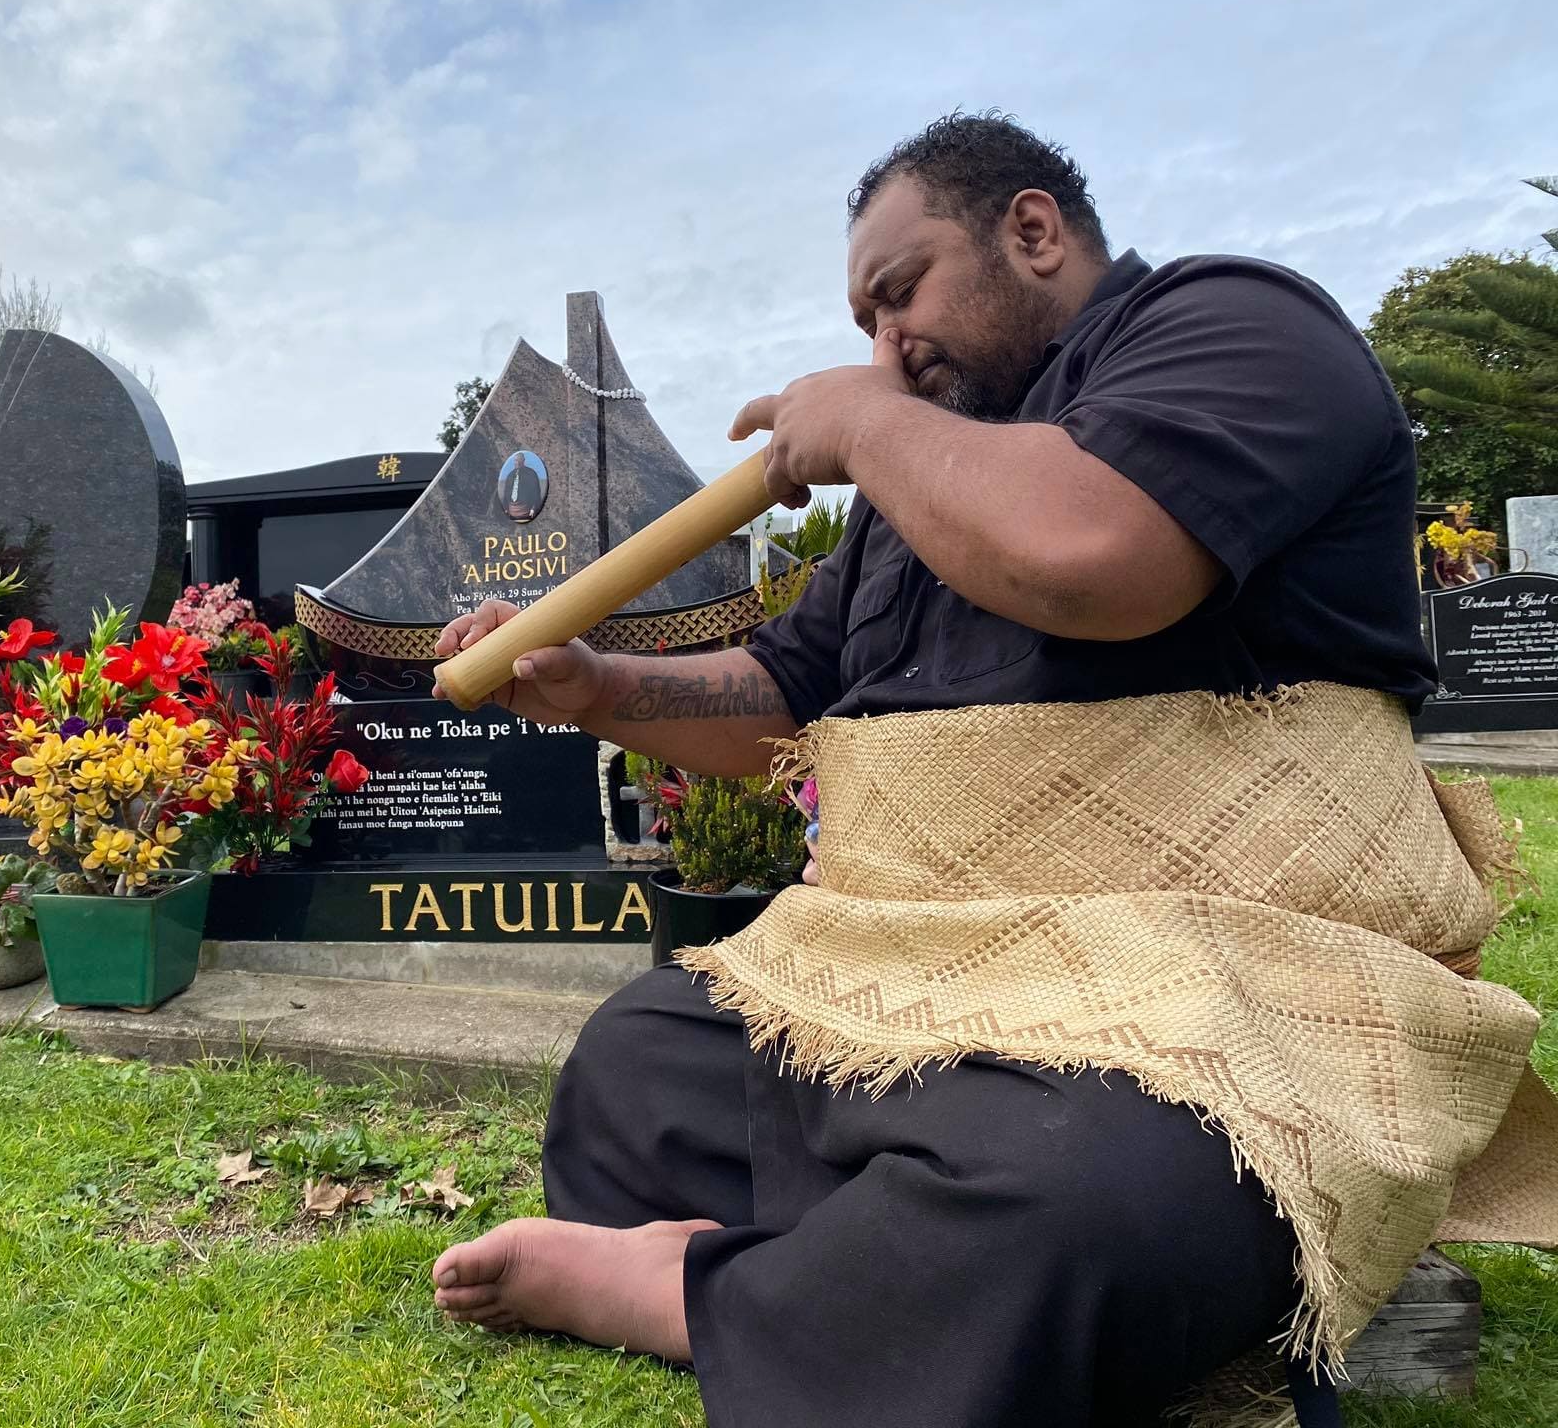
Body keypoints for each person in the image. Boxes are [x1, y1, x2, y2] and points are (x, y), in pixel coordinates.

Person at [425, 113, 1552, 1427]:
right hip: (941, 984)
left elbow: (1093, 553)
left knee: (1081, 1191)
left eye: (900, 297)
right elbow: (787, 694)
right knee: (634, 1066)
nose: (886, 350)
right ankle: (881, 1279)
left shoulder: (1235, 328)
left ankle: (705, 1289)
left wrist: (862, 425)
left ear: (1032, 230)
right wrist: (600, 687)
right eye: (863, 330)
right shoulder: (920, 479)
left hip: (1217, 1005)